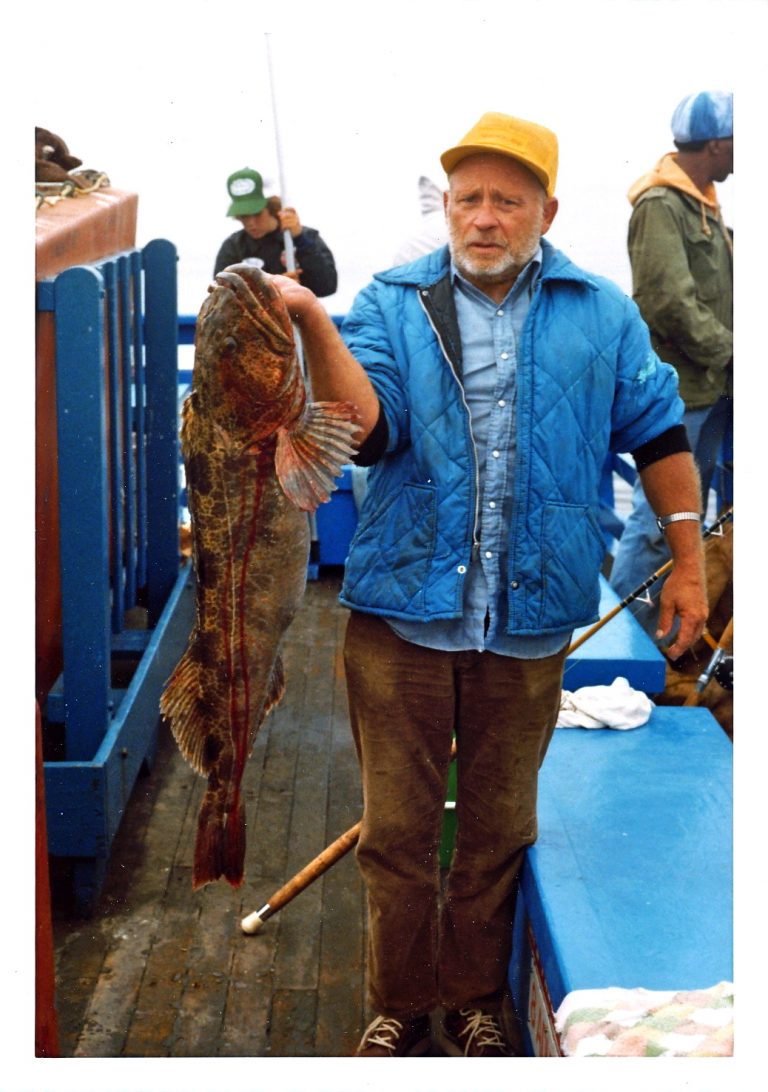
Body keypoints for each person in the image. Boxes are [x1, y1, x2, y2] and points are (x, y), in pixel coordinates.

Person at [269, 111, 708, 1058]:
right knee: (396, 831)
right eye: (467, 198)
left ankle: (473, 1000)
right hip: (402, 618)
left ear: (547, 212)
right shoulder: (391, 302)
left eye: (507, 200)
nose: (483, 217)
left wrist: (690, 562)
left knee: (498, 830)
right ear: (448, 207)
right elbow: (370, 431)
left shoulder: (604, 312)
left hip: (532, 620)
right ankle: (397, 1004)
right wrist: (312, 321)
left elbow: (660, 434)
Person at [609, 91, 733, 637]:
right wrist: (735, 354)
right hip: (681, 393)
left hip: (713, 387)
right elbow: (668, 302)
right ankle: (621, 638)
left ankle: (662, 632)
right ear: (717, 144)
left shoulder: (703, 202)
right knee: (662, 517)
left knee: (691, 516)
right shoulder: (661, 205)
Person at [213, 166, 338, 297]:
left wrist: (300, 239)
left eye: (256, 213)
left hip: (298, 310)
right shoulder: (233, 247)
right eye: (244, 216)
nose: (251, 223)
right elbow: (220, 296)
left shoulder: (304, 238)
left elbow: (328, 287)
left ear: (272, 206)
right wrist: (273, 289)